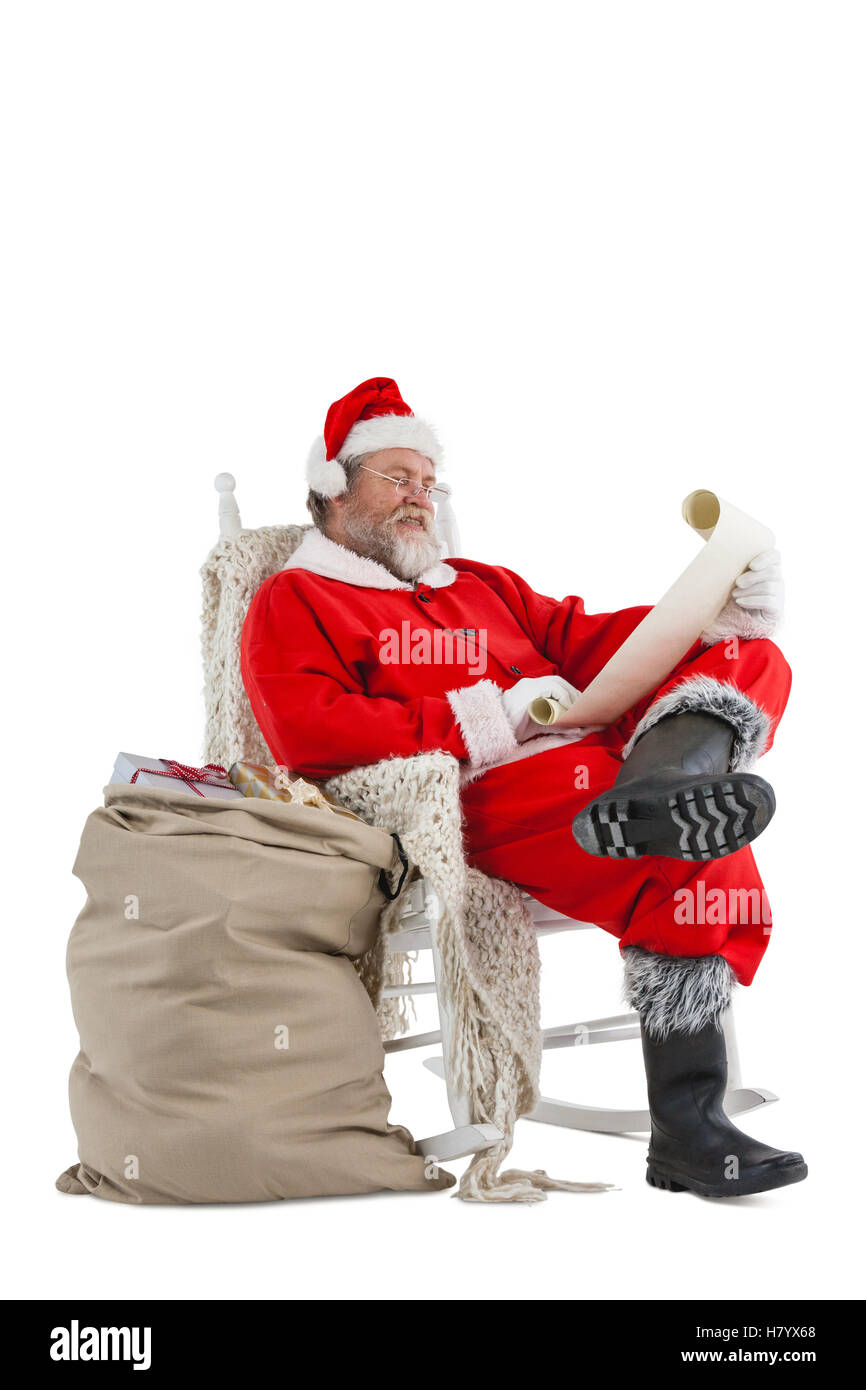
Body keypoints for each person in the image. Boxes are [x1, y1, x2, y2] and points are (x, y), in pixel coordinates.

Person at [240, 375, 806, 1198]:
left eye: (428, 484)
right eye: (397, 478)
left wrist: (719, 610)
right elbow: (311, 733)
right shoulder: (297, 599)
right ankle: (691, 1121)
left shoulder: (479, 584)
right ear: (333, 489)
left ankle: (656, 791)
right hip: (466, 796)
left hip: (593, 766)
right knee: (692, 844)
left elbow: (599, 643)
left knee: (755, 659)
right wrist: (478, 715)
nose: (419, 498)